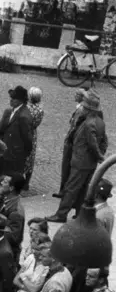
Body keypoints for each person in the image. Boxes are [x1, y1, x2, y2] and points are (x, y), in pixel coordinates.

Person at [49, 90, 107, 222]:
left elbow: (92, 144)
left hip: (81, 162)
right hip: (89, 163)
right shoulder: (100, 122)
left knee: (71, 188)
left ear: (88, 109)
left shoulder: (88, 123)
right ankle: (80, 213)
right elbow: (104, 141)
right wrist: (99, 155)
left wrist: (99, 156)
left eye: (85, 107)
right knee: (83, 189)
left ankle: (61, 214)